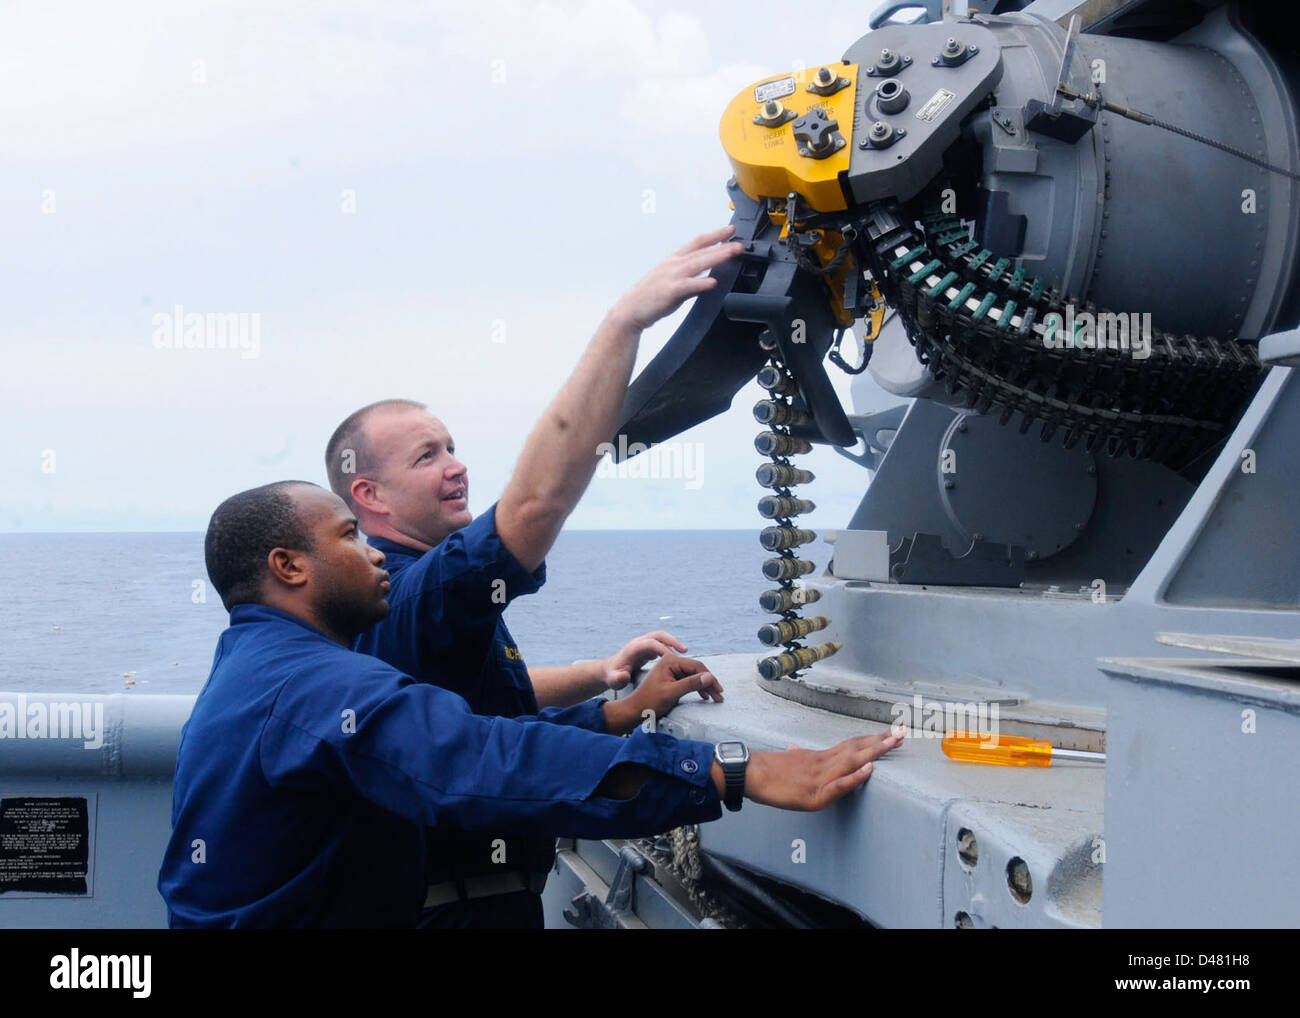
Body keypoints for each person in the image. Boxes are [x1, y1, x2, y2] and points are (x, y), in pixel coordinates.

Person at [157, 481, 902, 928]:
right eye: (350, 536)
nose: (376, 552)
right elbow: (484, 761)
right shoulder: (313, 687)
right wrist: (730, 772)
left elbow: (479, 735)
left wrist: (614, 711)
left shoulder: (253, 663)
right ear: (288, 566)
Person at [322, 227, 747, 926]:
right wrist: (624, 324)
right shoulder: (412, 594)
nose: (456, 465)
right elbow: (534, 505)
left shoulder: (400, 595)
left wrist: (614, 687)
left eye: (453, 447)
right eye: (427, 456)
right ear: (368, 495)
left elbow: (491, 713)